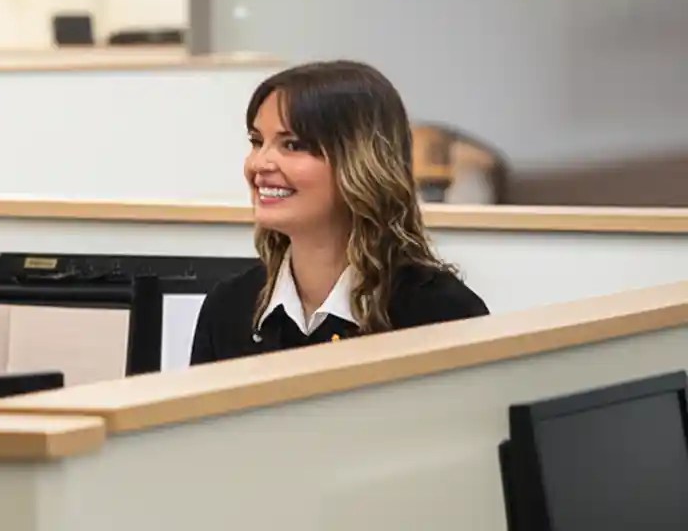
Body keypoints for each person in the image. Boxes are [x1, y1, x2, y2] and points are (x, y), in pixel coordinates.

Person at [191, 60, 488, 364]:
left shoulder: (441, 314)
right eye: (257, 141)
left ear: (361, 163)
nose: (259, 164)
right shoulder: (229, 307)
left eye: (292, 145)